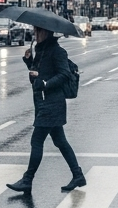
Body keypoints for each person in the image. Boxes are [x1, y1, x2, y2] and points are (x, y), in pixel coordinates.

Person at [6, 26, 85, 193]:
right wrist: (29, 62)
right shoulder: (40, 51)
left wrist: (46, 84)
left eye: (38, 32)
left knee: (36, 141)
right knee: (60, 141)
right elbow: (36, 76)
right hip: (42, 102)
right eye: (34, 32)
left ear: (46, 33)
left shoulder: (57, 52)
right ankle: (78, 175)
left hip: (52, 103)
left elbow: (64, 74)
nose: (35, 34)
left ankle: (27, 180)